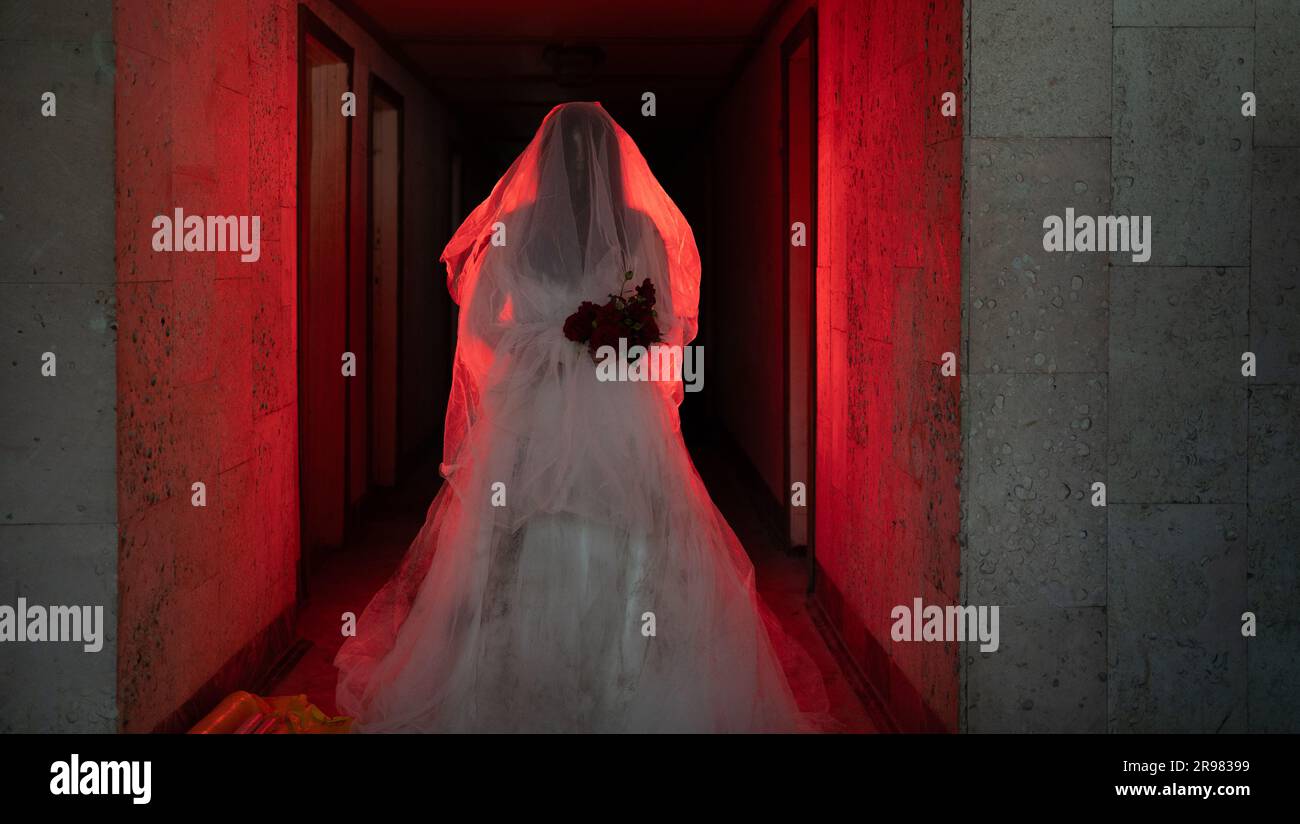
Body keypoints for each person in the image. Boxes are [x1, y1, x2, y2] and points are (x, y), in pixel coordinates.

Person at [335, 102, 808, 732]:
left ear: (542, 160)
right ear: (616, 161)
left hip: (533, 414)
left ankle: (522, 691)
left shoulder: (516, 227)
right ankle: (619, 689)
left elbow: (476, 329)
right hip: (620, 412)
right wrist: (610, 338)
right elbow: (669, 327)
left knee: (522, 544)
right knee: (629, 537)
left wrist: (537, 349)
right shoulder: (641, 227)